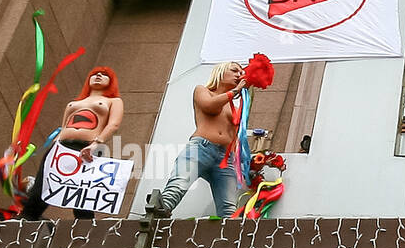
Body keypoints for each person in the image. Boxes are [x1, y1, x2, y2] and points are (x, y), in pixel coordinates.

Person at [17, 67, 124, 220]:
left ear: (111, 81)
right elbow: (65, 126)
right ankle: (26, 219)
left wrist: (95, 144)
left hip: (88, 147)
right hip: (61, 146)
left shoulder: (114, 101)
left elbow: (113, 125)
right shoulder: (74, 103)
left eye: (105, 74)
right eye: (94, 73)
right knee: (43, 186)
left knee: (82, 192)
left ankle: (83, 227)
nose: (98, 75)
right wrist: (54, 148)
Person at [147, 61, 247, 218]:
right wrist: (236, 91)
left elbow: (236, 135)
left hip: (225, 159)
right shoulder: (203, 90)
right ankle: (155, 218)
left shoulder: (233, 105)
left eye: (241, 72)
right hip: (201, 148)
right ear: (219, 73)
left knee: (228, 207)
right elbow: (209, 106)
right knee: (178, 186)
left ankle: (227, 238)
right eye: (234, 70)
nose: (239, 75)